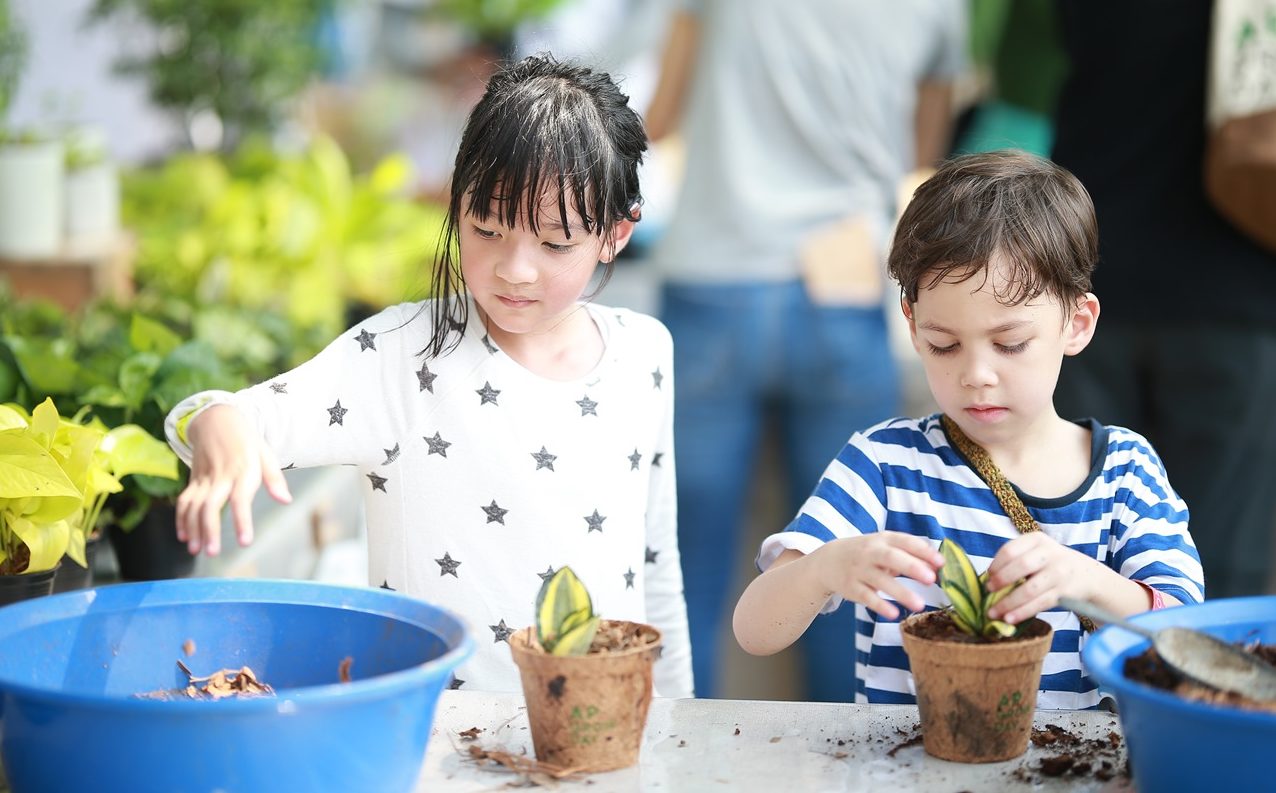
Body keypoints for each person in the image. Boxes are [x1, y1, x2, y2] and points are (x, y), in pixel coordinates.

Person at [164, 55, 694, 698]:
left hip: (602, 737)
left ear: (613, 234)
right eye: (486, 229)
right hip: (440, 744)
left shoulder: (644, 353)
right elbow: (223, 413)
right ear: (455, 203)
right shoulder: (401, 355)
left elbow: (657, 570)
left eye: (555, 244)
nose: (515, 269)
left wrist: (671, 723)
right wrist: (222, 433)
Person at [731, 151, 1205, 708]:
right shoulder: (884, 463)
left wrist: (1086, 581)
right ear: (911, 324)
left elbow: (1188, 644)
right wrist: (825, 569)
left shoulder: (1127, 472)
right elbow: (755, 632)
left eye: (1010, 344)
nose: (977, 375)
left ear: (1076, 324)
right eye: (944, 345)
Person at [644, 0, 967, 701]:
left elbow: (656, 119)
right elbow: (924, 155)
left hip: (712, 281)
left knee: (678, 568)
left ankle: (665, 758)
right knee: (848, 575)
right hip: (844, 285)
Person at [1050, 0, 1276, 599]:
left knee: (1079, 541)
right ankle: (1203, 695)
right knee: (1225, 565)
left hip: (1090, 277)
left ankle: (1089, 695)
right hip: (1234, 298)